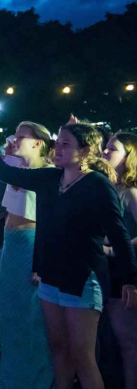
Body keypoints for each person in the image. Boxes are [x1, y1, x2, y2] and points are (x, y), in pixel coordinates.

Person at [0, 115, 137, 389]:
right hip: (51, 278)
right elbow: (3, 171)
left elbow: (118, 234)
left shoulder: (97, 184)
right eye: (57, 142)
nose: (57, 147)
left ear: (84, 151)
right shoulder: (50, 177)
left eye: (66, 144)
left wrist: (131, 278)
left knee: (82, 357)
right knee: (58, 350)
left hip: (82, 277)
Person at [0, 120, 57, 388]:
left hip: (31, 243)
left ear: (38, 142)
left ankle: (36, 380)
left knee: (30, 315)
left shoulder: (50, 172)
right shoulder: (13, 165)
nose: (14, 140)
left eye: (21, 136)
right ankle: (13, 379)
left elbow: (51, 222)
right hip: (10, 241)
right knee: (10, 314)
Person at [102, 132, 137, 389]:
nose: (105, 152)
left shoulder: (131, 193)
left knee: (127, 340)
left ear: (129, 157)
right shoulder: (106, 185)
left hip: (123, 271)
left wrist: (111, 250)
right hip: (105, 269)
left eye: (112, 149)